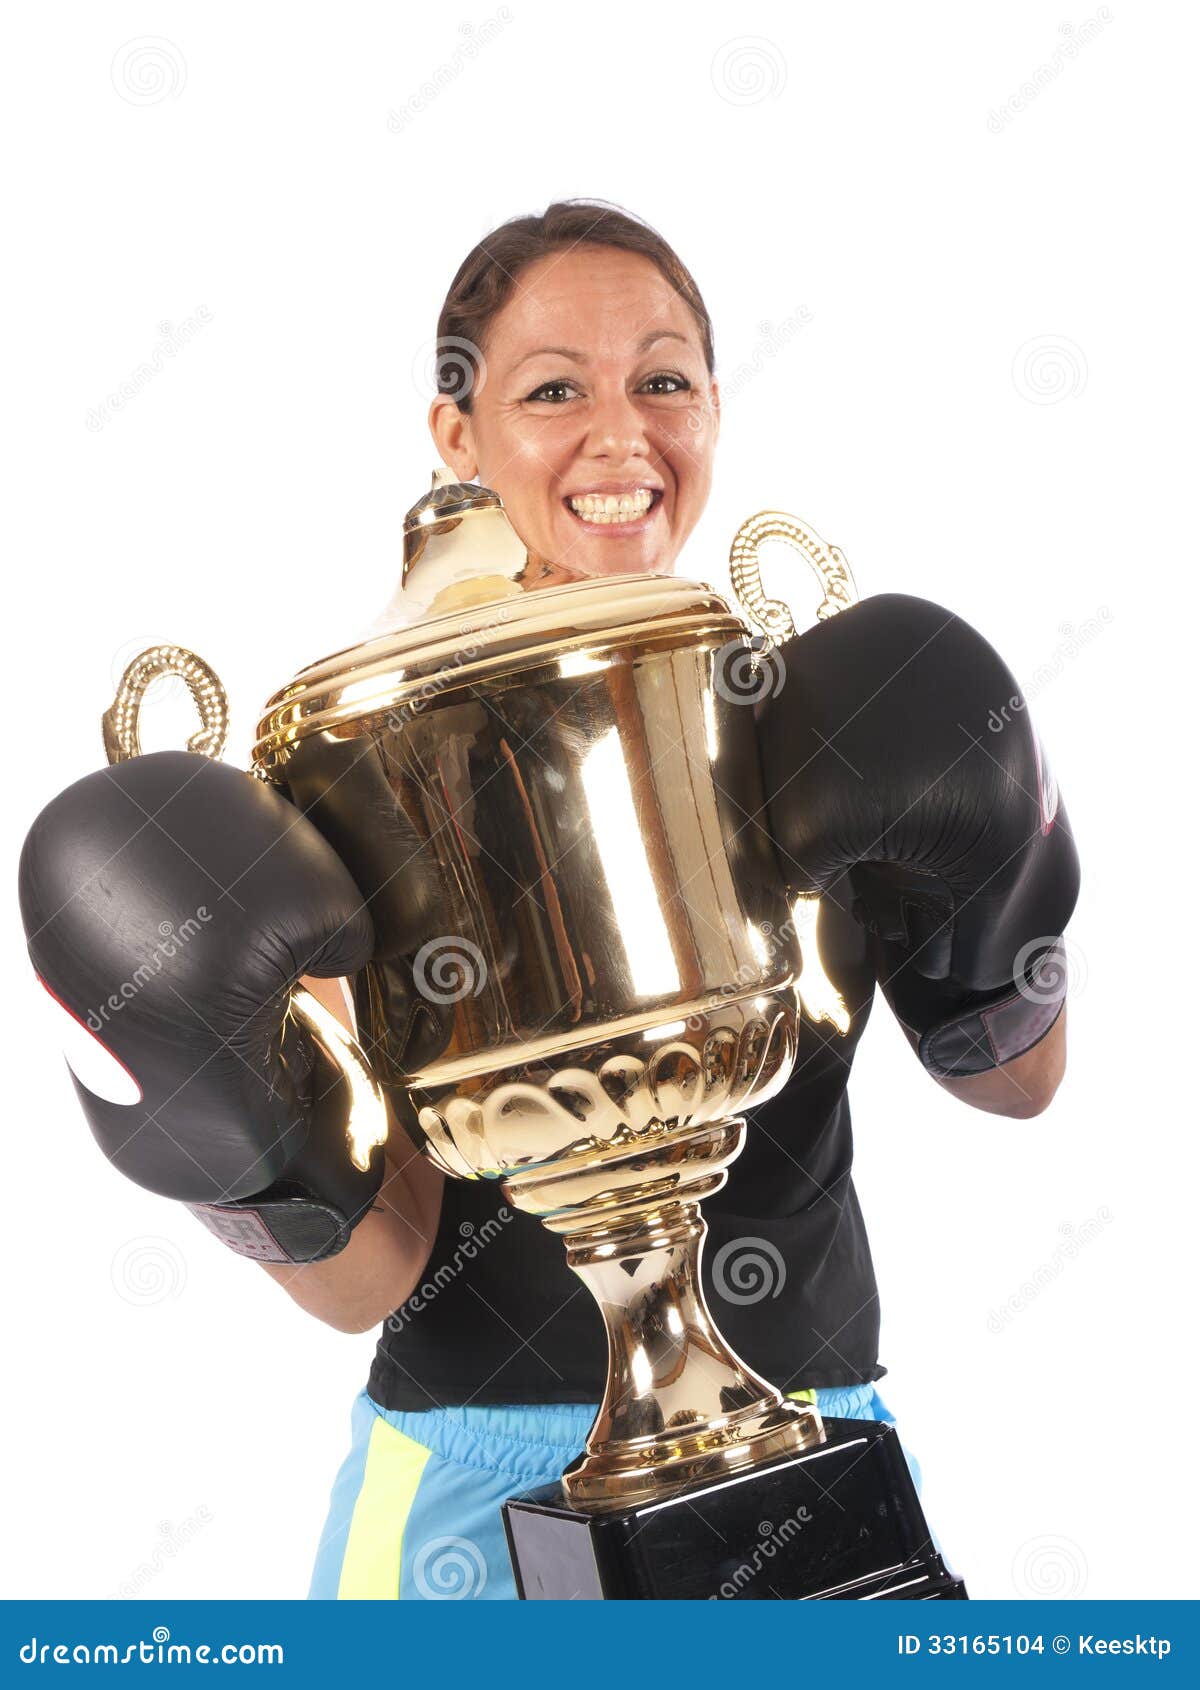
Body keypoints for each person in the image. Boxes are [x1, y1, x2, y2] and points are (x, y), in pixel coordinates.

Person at [18, 200, 1079, 1602]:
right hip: (478, 1484)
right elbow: (368, 1281)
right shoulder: (363, 781)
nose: (620, 433)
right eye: (552, 390)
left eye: (663, 379)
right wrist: (230, 1126)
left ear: (712, 403)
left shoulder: (812, 708)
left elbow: (1020, 1090)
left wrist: (1007, 888)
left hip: (815, 1443)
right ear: (457, 435)